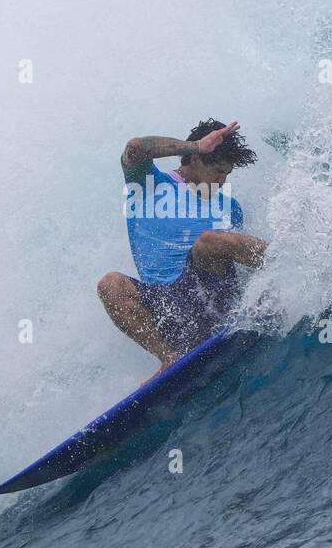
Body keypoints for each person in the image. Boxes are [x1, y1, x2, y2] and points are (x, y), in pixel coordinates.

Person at [97, 119, 268, 372]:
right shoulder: (147, 184)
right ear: (197, 159)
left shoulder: (229, 207)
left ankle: (291, 263)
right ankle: (169, 358)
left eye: (227, 174)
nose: (222, 181)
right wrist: (196, 145)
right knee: (109, 283)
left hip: (213, 299)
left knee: (210, 241)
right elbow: (135, 148)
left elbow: (238, 266)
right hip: (166, 313)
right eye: (219, 171)